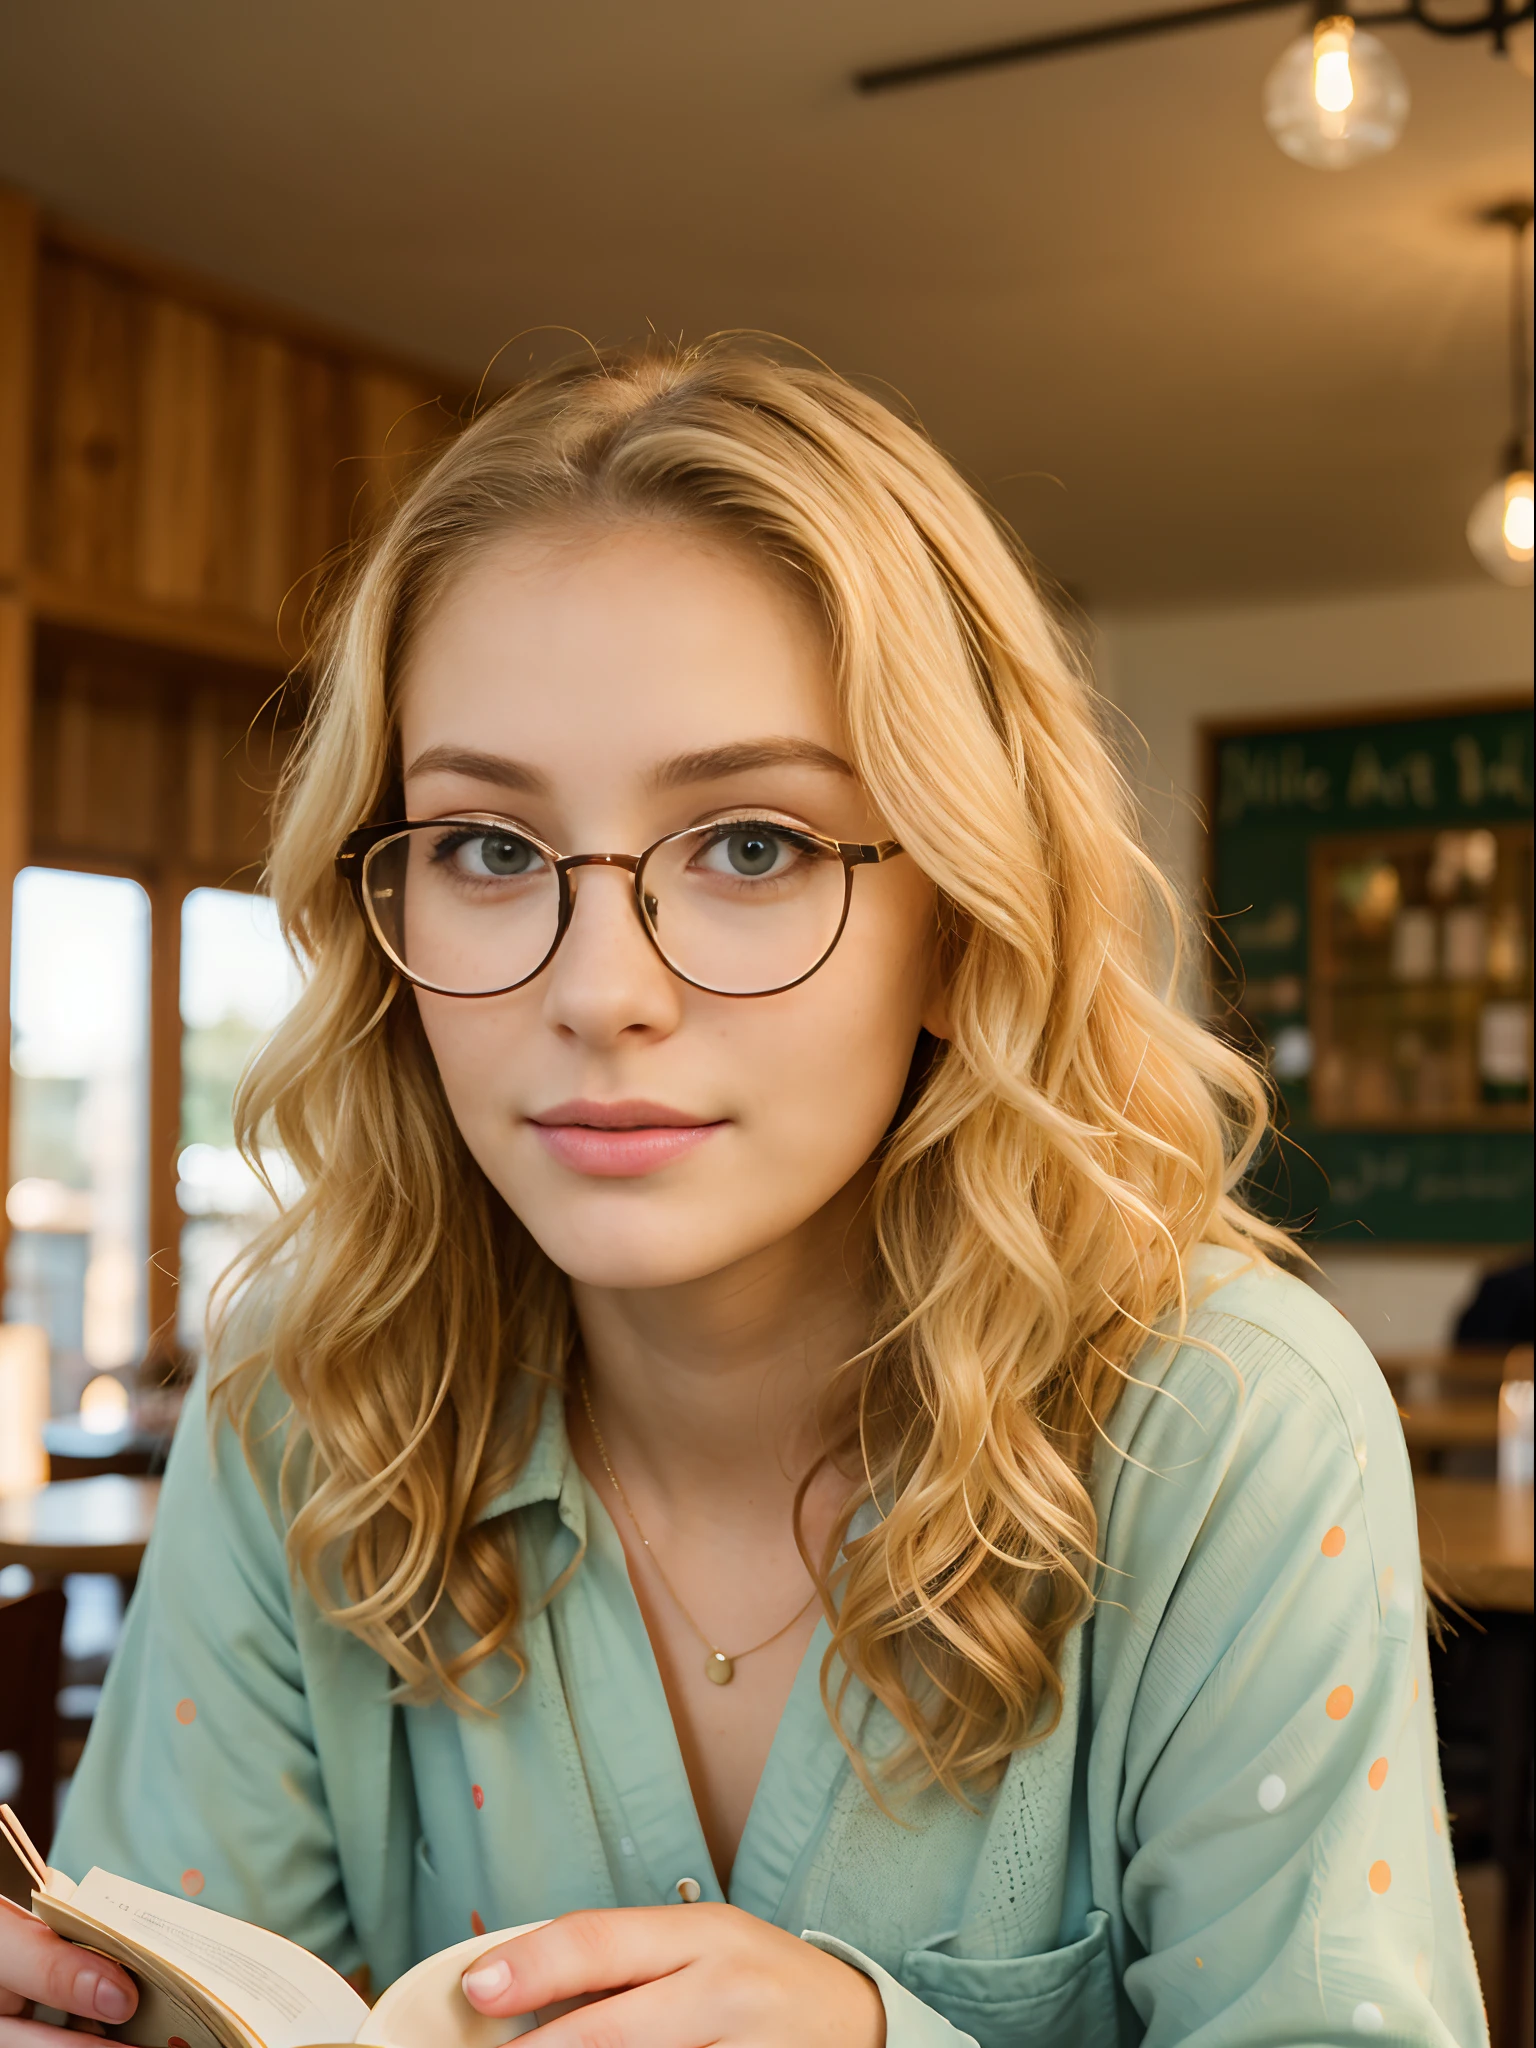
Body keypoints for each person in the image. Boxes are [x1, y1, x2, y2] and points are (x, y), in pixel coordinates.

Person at [2, 344, 1484, 2047]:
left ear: (963, 919)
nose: (602, 990)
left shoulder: (1226, 1424)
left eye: (753, 843)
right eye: (490, 847)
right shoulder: (302, 1405)